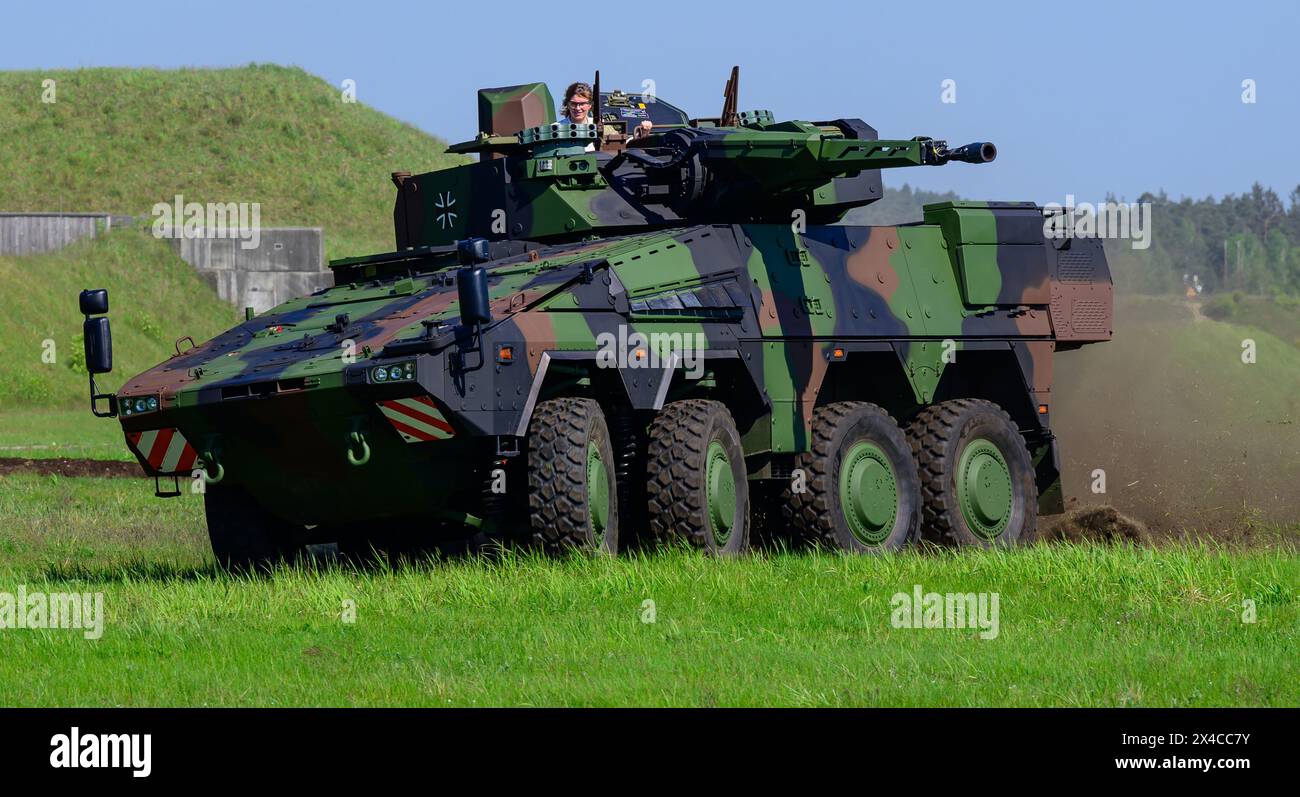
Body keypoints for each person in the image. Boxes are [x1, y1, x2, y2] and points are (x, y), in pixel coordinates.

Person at [561, 82, 653, 144]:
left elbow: (624, 142)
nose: (578, 108)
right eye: (573, 104)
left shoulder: (600, 125)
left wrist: (643, 134)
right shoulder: (556, 129)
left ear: (590, 105)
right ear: (567, 104)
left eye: (582, 104)